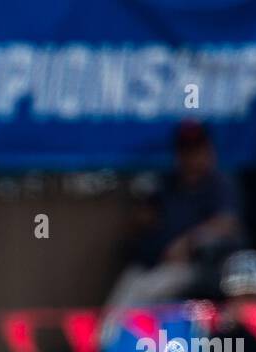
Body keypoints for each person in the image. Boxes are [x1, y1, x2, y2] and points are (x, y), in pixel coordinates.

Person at [103, 120, 244, 332]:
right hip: (153, 263)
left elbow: (227, 224)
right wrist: (142, 217)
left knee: (145, 290)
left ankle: (126, 346)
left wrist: (189, 241)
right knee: (127, 287)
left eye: (198, 148)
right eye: (186, 150)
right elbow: (138, 224)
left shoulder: (218, 185)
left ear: (209, 149)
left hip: (194, 267)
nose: (192, 155)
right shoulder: (167, 183)